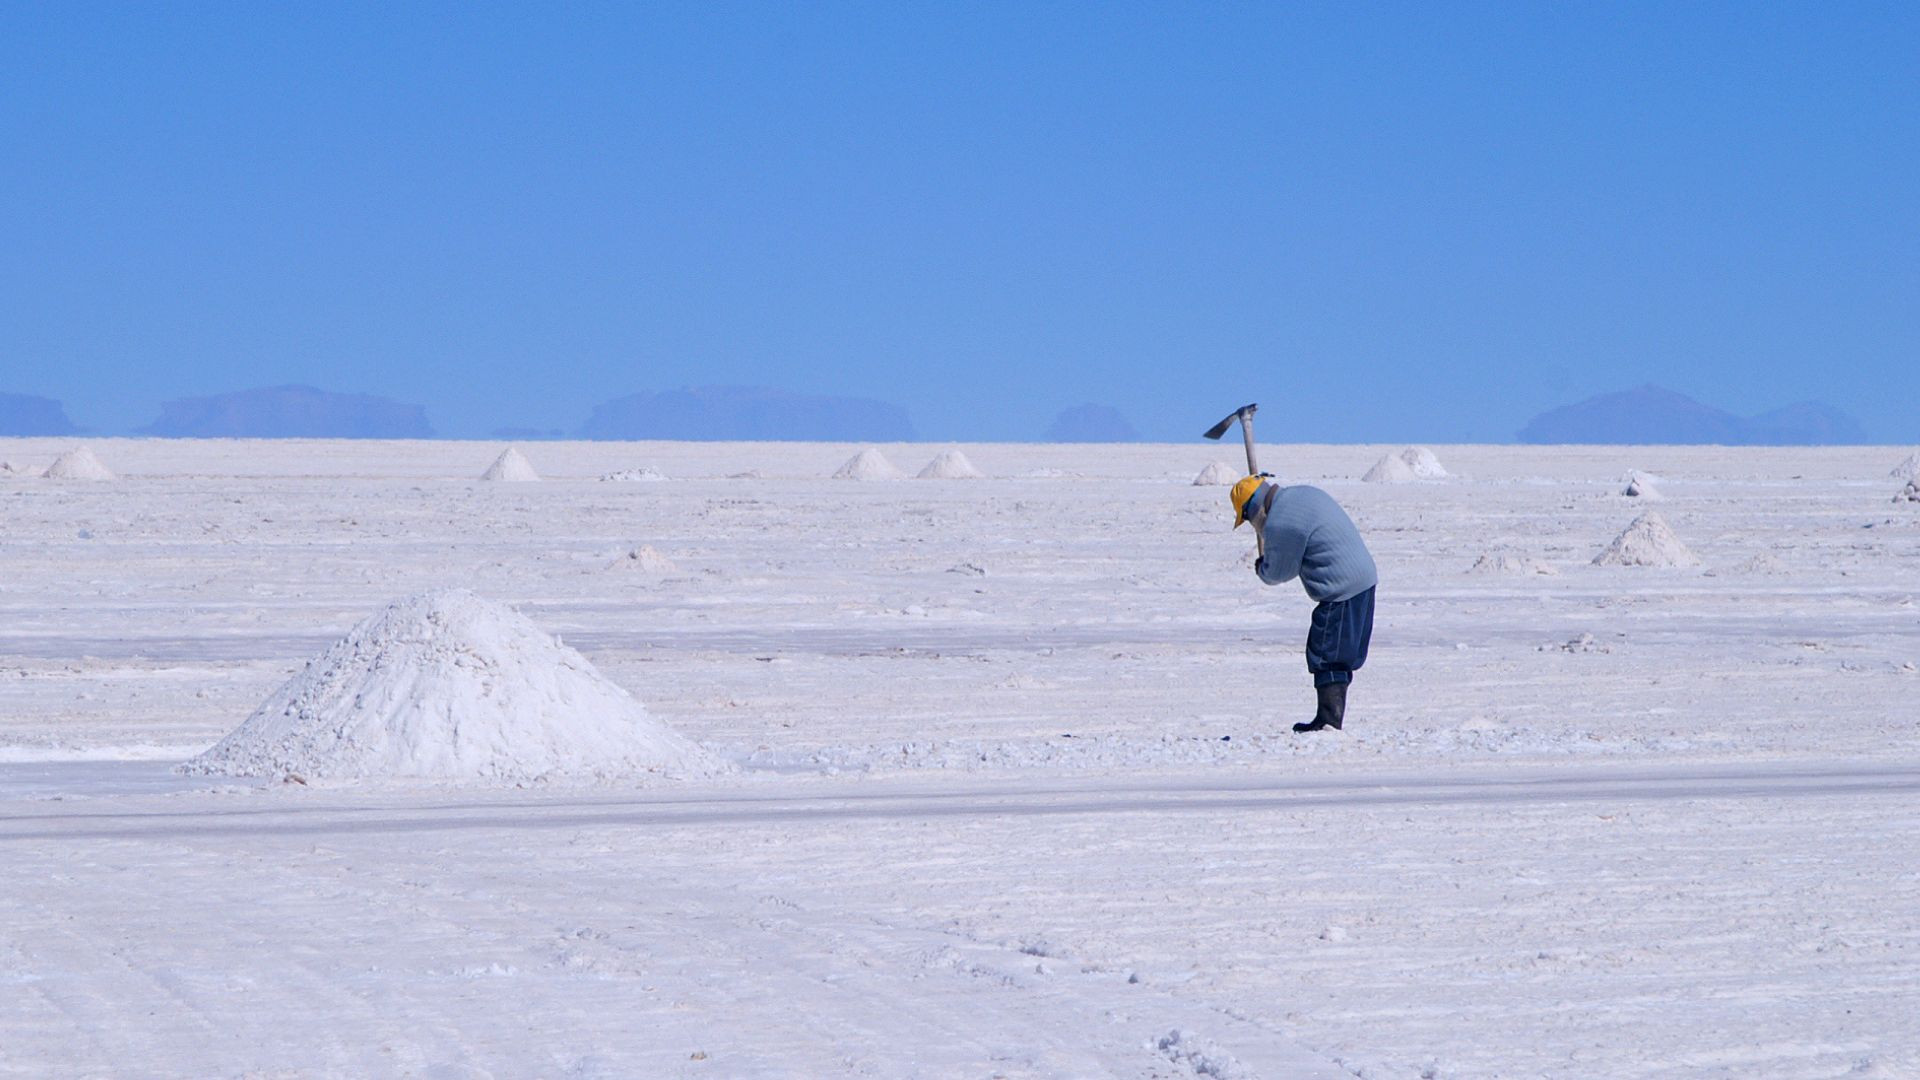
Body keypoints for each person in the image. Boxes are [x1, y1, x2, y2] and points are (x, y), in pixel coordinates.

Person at [1229, 475, 1378, 732]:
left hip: (1341, 587)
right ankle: (1329, 718)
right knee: (1337, 655)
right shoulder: (1297, 496)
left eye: (1248, 519)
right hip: (1362, 580)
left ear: (1252, 509)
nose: (1253, 526)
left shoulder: (1280, 521)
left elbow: (1279, 571)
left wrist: (1262, 567)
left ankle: (1329, 722)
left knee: (1326, 654)